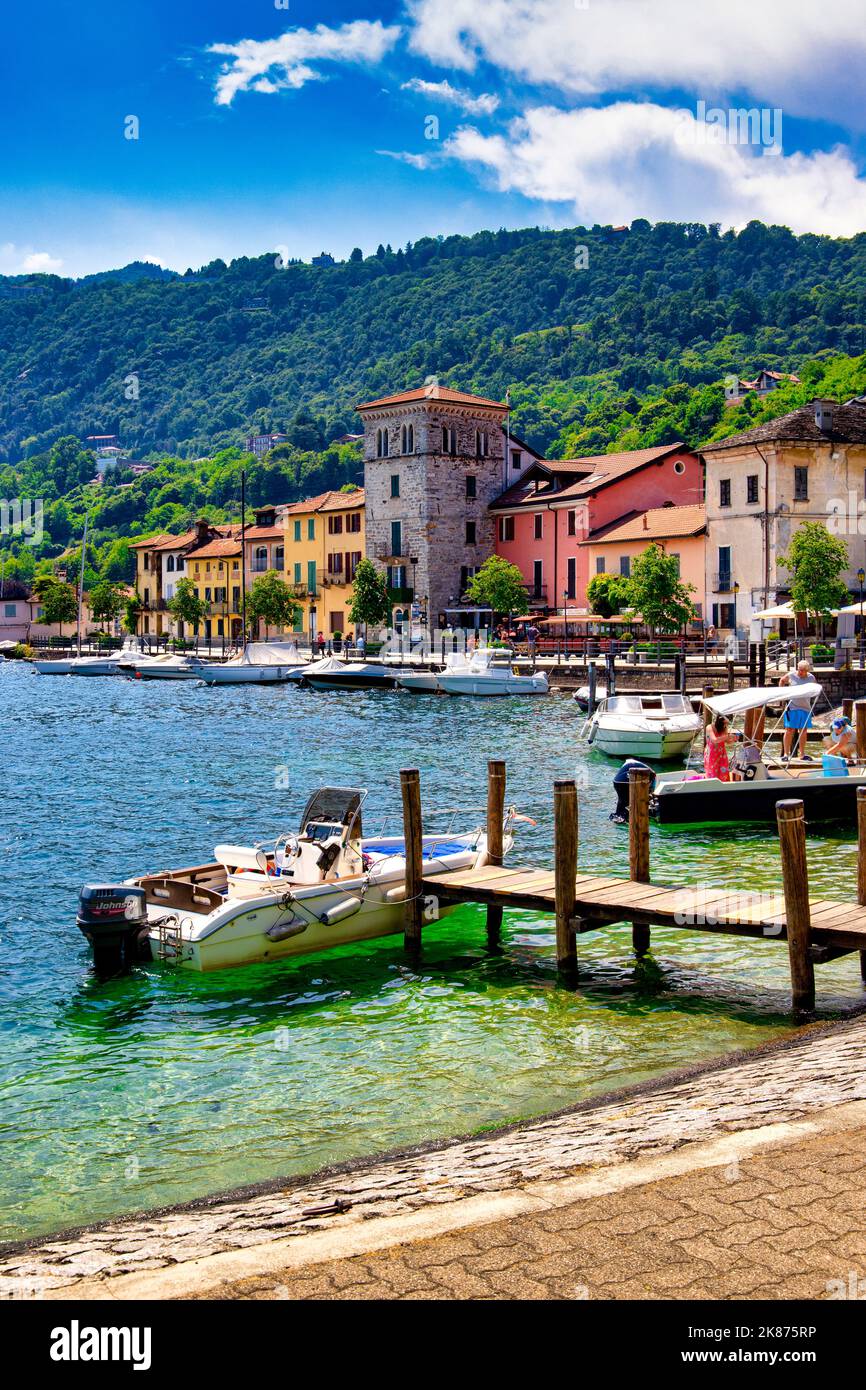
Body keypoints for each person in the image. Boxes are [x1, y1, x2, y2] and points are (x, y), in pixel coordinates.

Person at [780, 659, 817, 759]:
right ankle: (786, 754)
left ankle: (802, 754)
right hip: (792, 707)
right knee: (789, 730)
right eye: (799, 669)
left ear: (807, 670)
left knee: (803, 731)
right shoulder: (792, 675)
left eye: (802, 670)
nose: (800, 672)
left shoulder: (811, 678)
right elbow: (782, 680)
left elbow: (815, 688)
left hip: (805, 708)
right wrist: (783, 693)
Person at [704, 714, 738, 782]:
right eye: (724, 722)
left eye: (726, 723)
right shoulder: (709, 727)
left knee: (724, 771)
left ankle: (723, 787)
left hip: (722, 753)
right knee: (713, 772)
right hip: (712, 754)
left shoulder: (724, 727)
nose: (726, 724)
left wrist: (734, 739)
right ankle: (712, 787)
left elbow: (727, 741)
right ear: (720, 720)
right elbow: (715, 740)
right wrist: (728, 736)